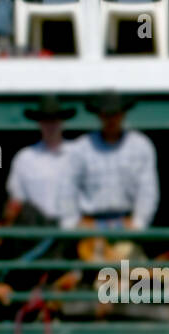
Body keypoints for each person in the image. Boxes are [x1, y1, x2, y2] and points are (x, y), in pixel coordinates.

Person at [66, 92, 159, 231]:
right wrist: (73, 224)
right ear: (99, 115)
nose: (111, 120)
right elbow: (68, 189)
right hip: (89, 227)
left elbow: (148, 190)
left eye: (115, 114)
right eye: (106, 114)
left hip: (126, 225)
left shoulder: (141, 146)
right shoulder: (81, 148)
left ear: (124, 114)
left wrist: (138, 223)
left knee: (122, 254)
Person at [0, 96, 78, 230]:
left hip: (73, 233)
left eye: (54, 120)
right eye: (46, 121)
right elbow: (16, 200)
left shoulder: (80, 154)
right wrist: (5, 222)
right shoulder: (24, 158)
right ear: (39, 123)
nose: (51, 125)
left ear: (62, 122)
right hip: (35, 232)